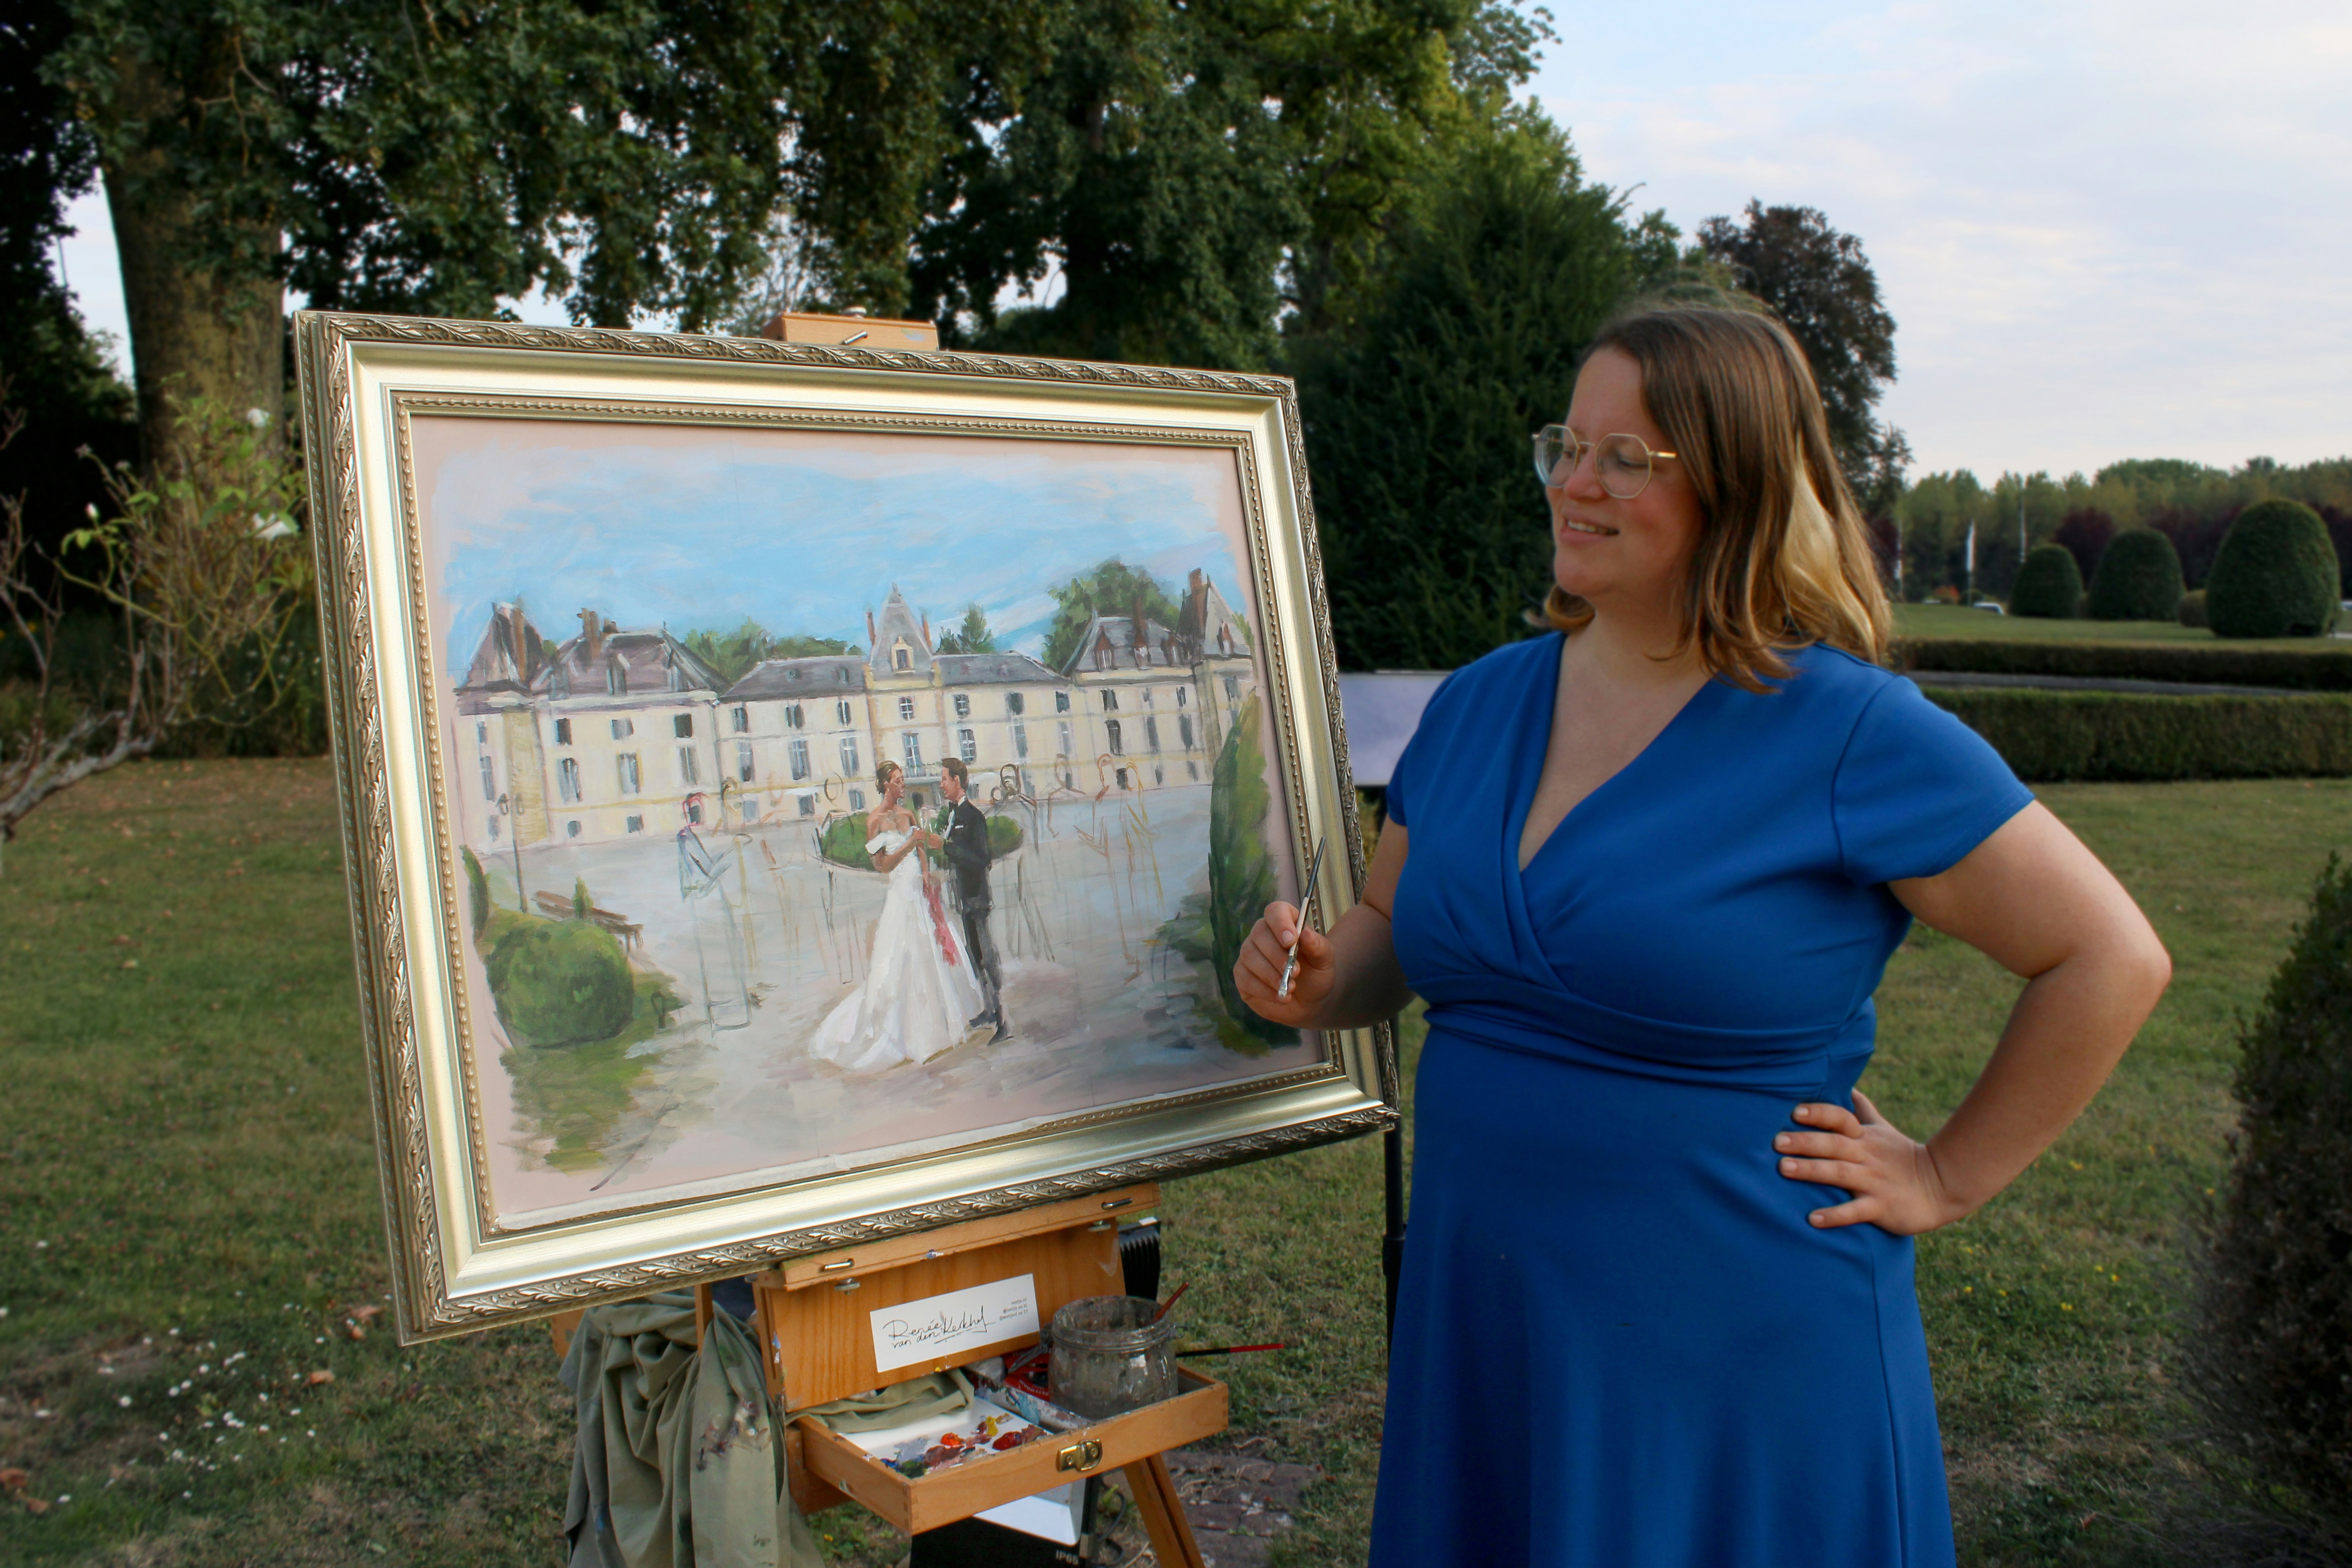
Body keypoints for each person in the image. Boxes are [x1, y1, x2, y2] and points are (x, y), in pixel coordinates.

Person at [1232, 306, 2172, 1568]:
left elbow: (2110, 957)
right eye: (1567, 444)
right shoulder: (1476, 705)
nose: (1574, 482)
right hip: (1492, 1317)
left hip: (1736, 1348)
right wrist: (1316, 978)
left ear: (1732, 484)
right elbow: (1385, 944)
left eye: (1629, 457)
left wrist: (1947, 1178)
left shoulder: (1847, 733)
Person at [812, 761, 994, 1073]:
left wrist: (926, 875)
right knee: (899, 957)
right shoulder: (874, 821)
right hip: (899, 894)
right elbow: (881, 866)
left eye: (902, 781)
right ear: (885, 785)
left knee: (933, 951)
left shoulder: (908, 815)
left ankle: (944, 1021)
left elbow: (922, 847)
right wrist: (908, 843)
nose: (902, 786)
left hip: (919, 892)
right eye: (897, 782)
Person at [937, 757, 1007, 1038]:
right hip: (964, 899)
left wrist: (945, 847)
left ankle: (1003, 1020)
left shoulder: (973, 817)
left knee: (986, 956)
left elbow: (981, 859)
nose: (941, 785)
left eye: (944, 779)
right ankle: (989, 1009)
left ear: (957, 781)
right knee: (974, 955)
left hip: (977, 899)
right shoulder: (954, 814)